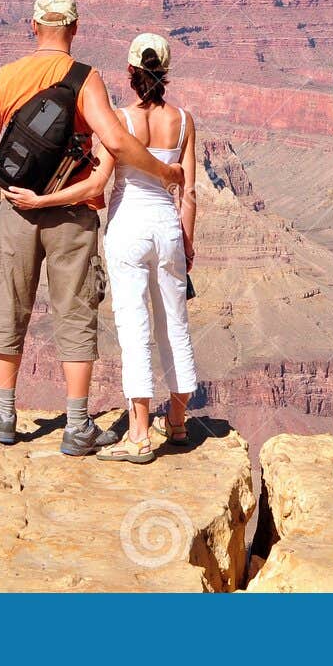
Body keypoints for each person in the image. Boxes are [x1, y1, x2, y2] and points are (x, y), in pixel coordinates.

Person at [0, 0, 187, 456]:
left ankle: (5, 416)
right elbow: (116, 141)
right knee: (74, 311)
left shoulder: (7, 76)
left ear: (33, 27)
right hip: (72, 212)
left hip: (15, 206)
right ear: (74, 28)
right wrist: (167, 172)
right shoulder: (86, 79)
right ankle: (76, 425)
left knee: (9, 303)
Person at [90, 33, 199, 463]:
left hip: (128, 226)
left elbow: (100, 184)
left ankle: (138, 433)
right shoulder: (185, 121)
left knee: (134, 325)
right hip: (167, 227)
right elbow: (188, 191)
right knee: (175, 322)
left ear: (131, 73)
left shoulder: (119, 120)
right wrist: (186, 242)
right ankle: (176, 422)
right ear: (165, 72)